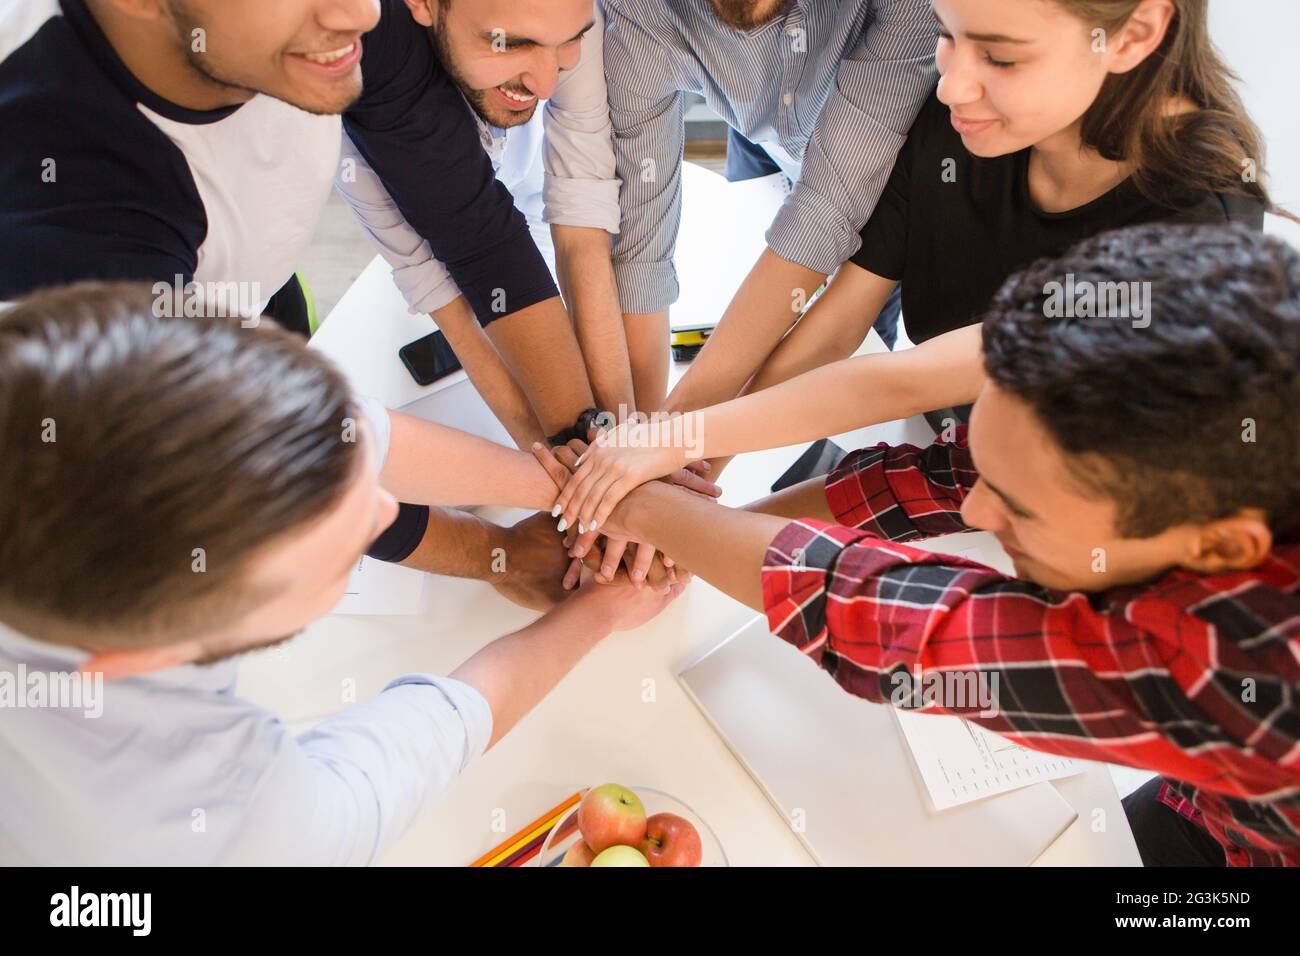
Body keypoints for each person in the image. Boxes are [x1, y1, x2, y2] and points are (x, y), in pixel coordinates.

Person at [538, 224, 1300, 866]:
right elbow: (926, 482)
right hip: (1216, 806)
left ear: (1221, 549)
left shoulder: (1249, 667)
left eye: (1019, 510)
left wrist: (642, 508)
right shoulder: (1196, 444)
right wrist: (688, 516)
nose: (975, 508)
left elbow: (899, 625)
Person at [0, 283, 684, 865]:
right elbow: (390, 768)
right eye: (335, 547)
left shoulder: (48, 379)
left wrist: (579, 488)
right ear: (147, 657)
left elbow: (350, 436)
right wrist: (596, 611)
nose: (385, 510)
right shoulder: (194, 826)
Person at [552, 0, 1283, 532]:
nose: (952, 82)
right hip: (943, 455)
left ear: (1135, 34)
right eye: (945, 34)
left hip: (1066, 521)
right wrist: (695, 467)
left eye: (1000, 57)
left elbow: (908, 376)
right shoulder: (963, 123)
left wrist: (680, 445)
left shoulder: (1199, 226)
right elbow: (837, 325)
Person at [0, 0, 629, 607]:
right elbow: (266, 447)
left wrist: (589, 450)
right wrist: (510, 545)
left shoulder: (342, 17)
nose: (361, 13)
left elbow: (475, 232)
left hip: (256, 286)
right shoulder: (65, 201)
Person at [601, 0, 938, 411]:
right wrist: (641, 425)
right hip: (762, 142)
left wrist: (688, 434)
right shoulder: (635, 11)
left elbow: (824, 215)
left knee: (856, 344)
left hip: (883, 168)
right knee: (747, 276)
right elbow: (641, 254)